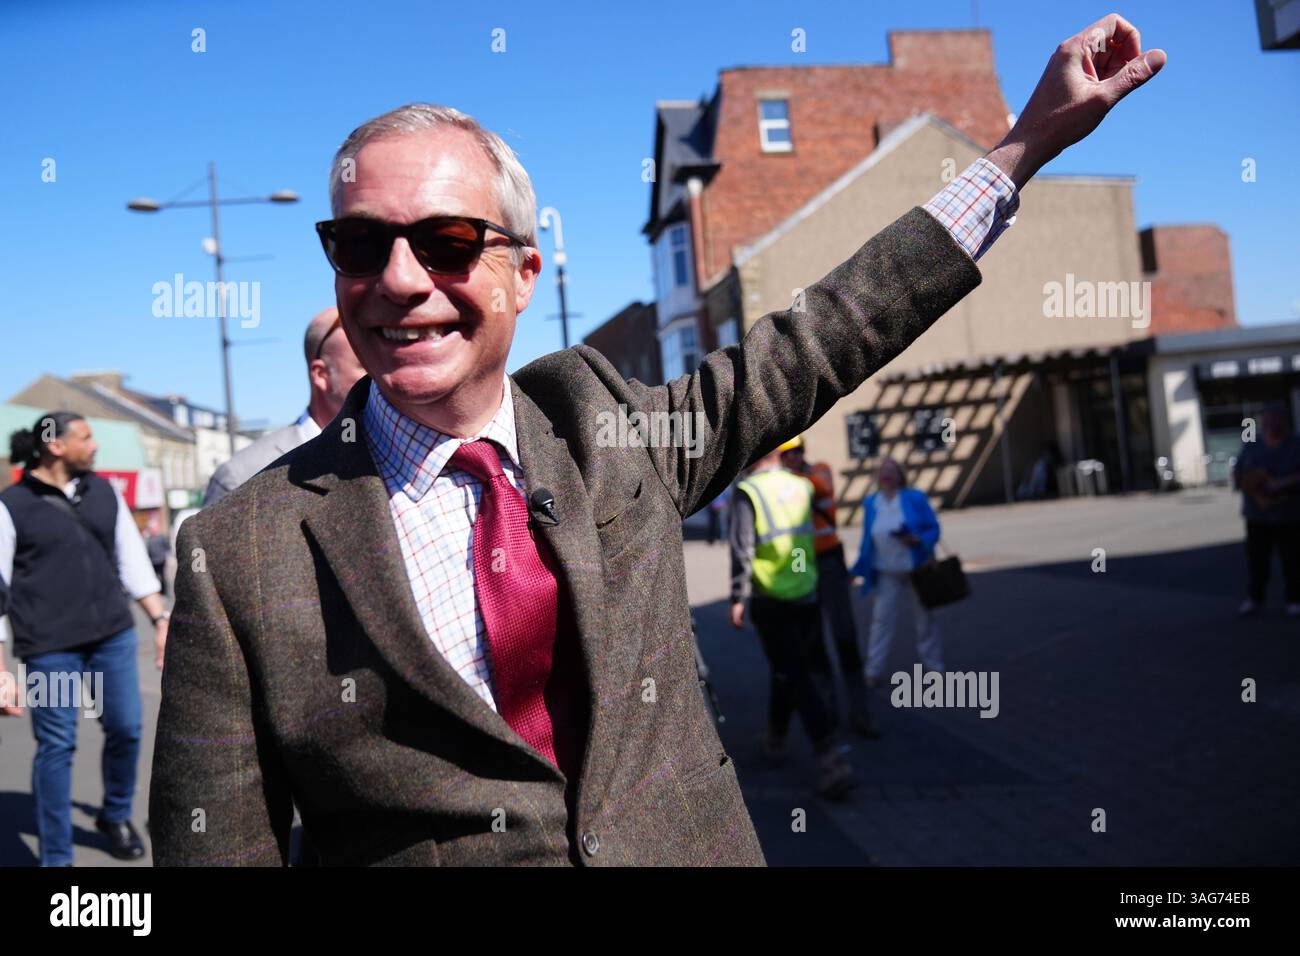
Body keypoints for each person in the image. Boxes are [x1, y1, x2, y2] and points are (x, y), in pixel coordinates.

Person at [150, 15, 1164, 866]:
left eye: (448, 241)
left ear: (523, 273)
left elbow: (827, 332)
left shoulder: (613, 436)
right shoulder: (239, 548)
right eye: (363, 244)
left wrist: (1023, 145)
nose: (403, 279)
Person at [0, 412, 168, 865]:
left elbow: (132, 561)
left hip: (112, 638)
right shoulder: (10, 505)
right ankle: (56, 857)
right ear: (55, 445)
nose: (95, 445)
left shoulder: (105, 492)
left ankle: (114, 815)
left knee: (127, 729)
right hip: (50, 650)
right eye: (86, 437)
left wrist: (159, 619)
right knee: (57, 746)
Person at [729, 447, 855, 798]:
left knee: (797, 675)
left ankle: (831, 758)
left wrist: (738, 596)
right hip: (806, 593)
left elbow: (743, 548)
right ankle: (775, 740)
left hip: (772, 599)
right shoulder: (801, 486)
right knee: (788, 669)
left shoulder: (749, 492)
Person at [204, 306, 366, 505]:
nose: (378, 376)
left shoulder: (389, 455)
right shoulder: (242, 475)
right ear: (321, 375)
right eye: (364, 365)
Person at [779, 435, 877, 738]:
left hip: (830, 561)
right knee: (813, 640)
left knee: (844, 634)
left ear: (803, 452)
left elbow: (820, 489)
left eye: (795, 452)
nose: (792, 458)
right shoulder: (783, 485)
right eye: (786, 455)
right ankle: (829, 713)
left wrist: (787, 481)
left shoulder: (819, 471)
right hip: (801, 561)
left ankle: (860, 713)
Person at [850, 457, 944, 687]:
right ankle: (873, 670)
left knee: (925, 620)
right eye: (883, 471)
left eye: (892, 471)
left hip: (916, 569)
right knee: (881, 621)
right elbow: (866, 540)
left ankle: (934, 668)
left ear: (901, 474)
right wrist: (857, 568)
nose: (887, 475)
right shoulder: (872, 502)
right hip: (885, 571)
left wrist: (917, 540)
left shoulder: (915, 497)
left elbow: (933, 527)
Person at [1231, 403, 1300, 617]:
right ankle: (1255, 598)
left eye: (1275, 420)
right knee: (1257, 559)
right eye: (1267, 420)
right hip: (1257, 514)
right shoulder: (1252, 445)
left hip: (1289, 514)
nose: (1270, 424)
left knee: (1293, 559)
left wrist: (1281, 484)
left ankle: (1294, 599)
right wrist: (1245, 481)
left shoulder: (1296, 444)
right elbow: (1239, 471)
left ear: (1284, 422)